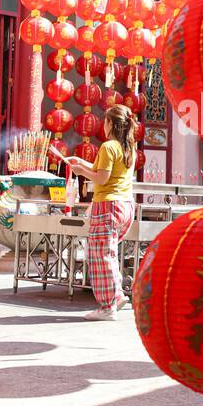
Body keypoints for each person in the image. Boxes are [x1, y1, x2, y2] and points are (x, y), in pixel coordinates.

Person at [65, 104, 138, 321]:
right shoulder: (129, 147)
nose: (102, 125)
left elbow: (101, 178)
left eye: (105, 121)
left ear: (111, 124)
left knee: (100, 255)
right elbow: (105, 171)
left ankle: (108, 306)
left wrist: (81, 171)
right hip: (125, 205)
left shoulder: (108, 147)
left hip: (107, 205)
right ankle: (116, 296)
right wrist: (83, 163)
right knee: (110, 253)